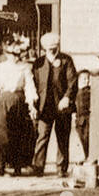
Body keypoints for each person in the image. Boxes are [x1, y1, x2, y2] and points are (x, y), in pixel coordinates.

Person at [31, 32, 78, 177]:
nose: (52, 51)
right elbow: (33, 84)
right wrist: (33, 104)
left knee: (63, 138)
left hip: (62, 106)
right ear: (44, 48)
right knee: (42, 137)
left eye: (54, 48)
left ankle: (61, 169)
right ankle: (38, 168)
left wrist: (67, 98)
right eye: (49, 49)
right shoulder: (38, 63)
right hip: (44, 107)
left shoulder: (66, 61)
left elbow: (73, 82)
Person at [0, 40, 37, 176]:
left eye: (18, 54)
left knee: (18, 132)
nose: (15, 57)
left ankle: (17, 166)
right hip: (3, 101)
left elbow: (29, 86)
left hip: (19, 100)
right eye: (12, 54)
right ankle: (0, 165)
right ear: (6, 54)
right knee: (0, 130)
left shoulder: (25, 68)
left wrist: (32, 104)